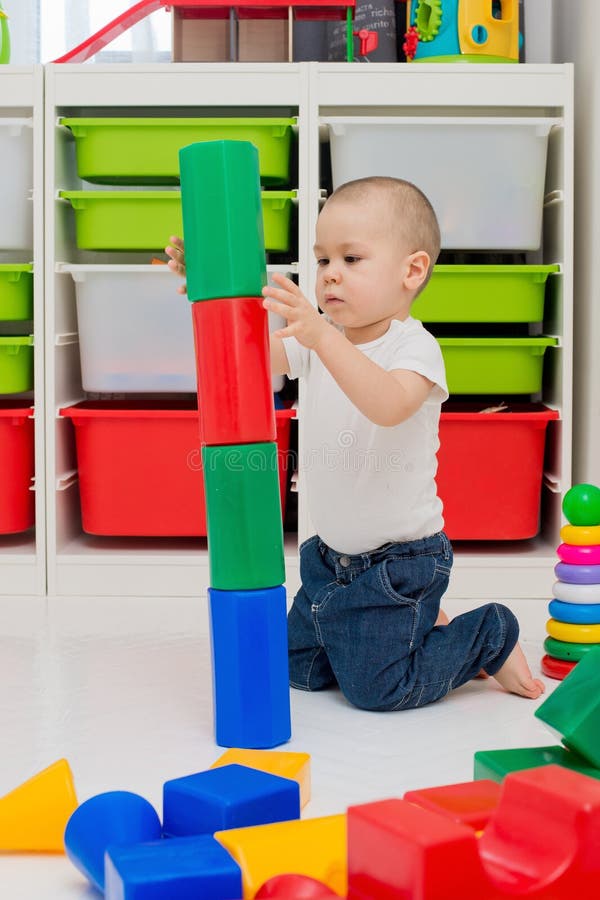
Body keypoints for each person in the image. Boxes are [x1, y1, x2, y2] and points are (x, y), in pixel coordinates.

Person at [166, 175, 545, 711]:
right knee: (295, 669)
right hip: (328, 561)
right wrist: (211, 289)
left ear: (412, 271)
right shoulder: (321, 338)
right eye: (323, 259)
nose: (329, 274)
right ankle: (418, 624)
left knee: (376, 690)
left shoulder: (414, 348)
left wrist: (320, 336)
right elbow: (243, 359)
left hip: (399, 565)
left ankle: (487, 633)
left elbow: (387, 404)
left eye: (351, 258)